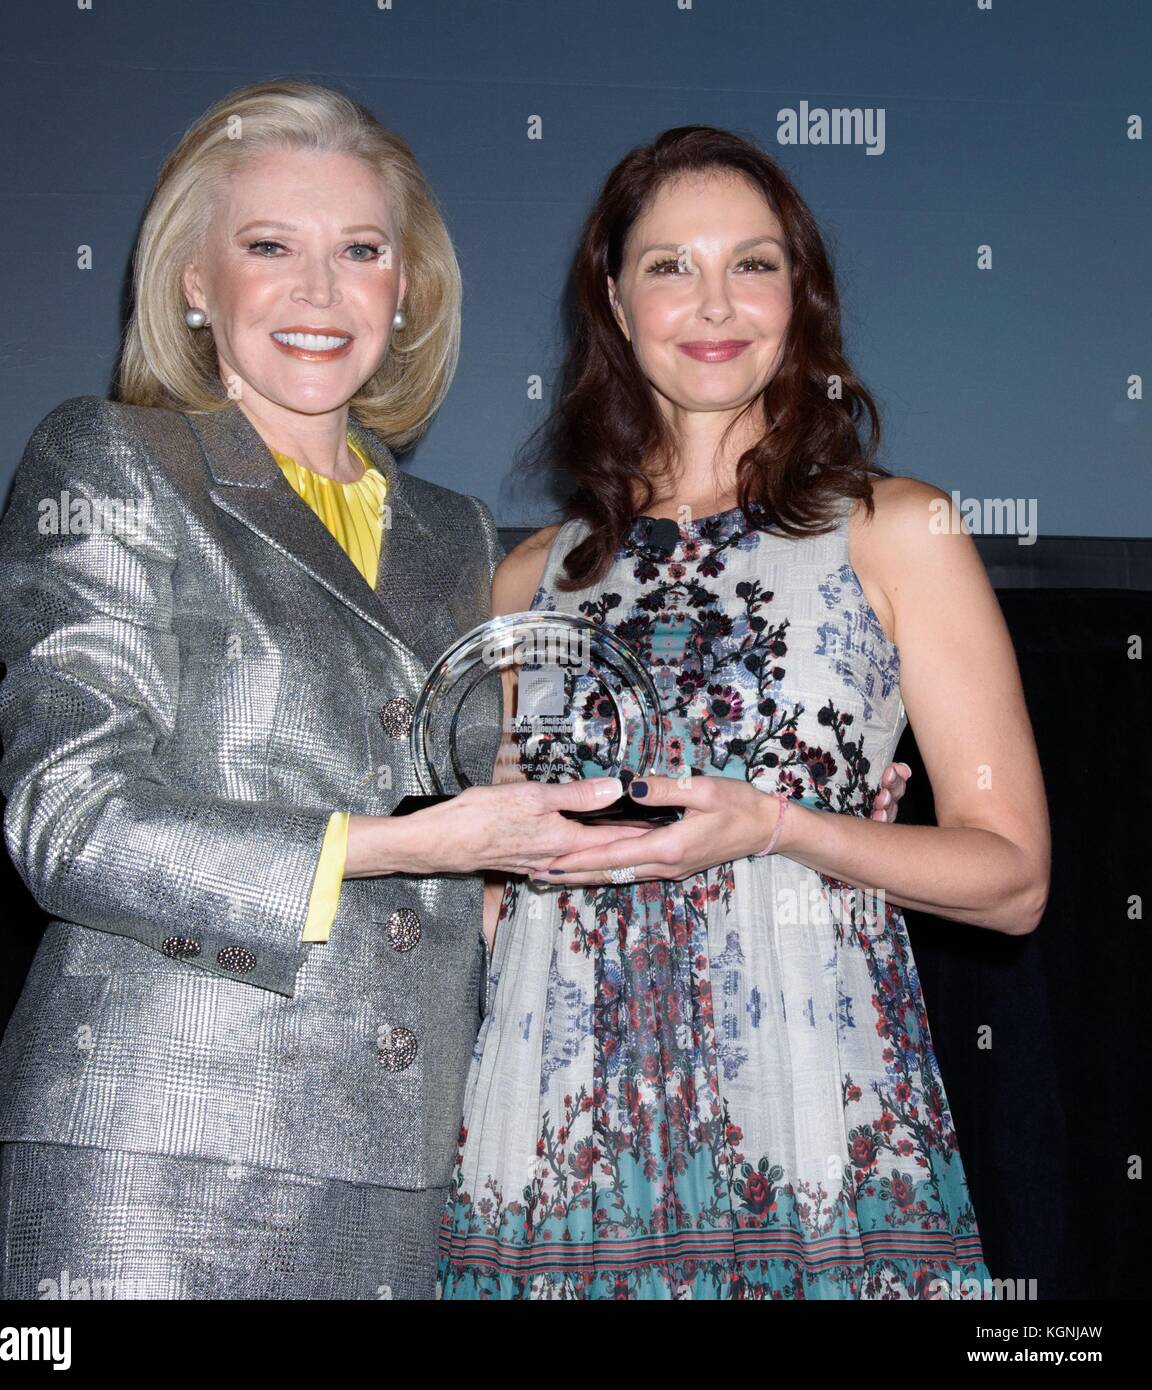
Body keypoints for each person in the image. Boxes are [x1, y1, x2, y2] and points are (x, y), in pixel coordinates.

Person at [0, 78, 645, 1301]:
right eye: (270, 246)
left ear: (407, 291)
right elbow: (69, 823)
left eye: (362, 251)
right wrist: (401, 844)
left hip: (409, 1158)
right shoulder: (114, 460)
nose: (321, 290)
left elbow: (493, 825)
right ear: (192, 279)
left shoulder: (459, 536)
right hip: (154, 1150)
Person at [437, 126, 1051, 1300]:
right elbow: (495, 905)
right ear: (613, 302)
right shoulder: (529, 582)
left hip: (814, 1111)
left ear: (799, 294)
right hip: (558, 1140)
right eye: (669, 265)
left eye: (752, 263)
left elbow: (1013, 877)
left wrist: (784, 826)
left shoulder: (896, 529)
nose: (712, 302)